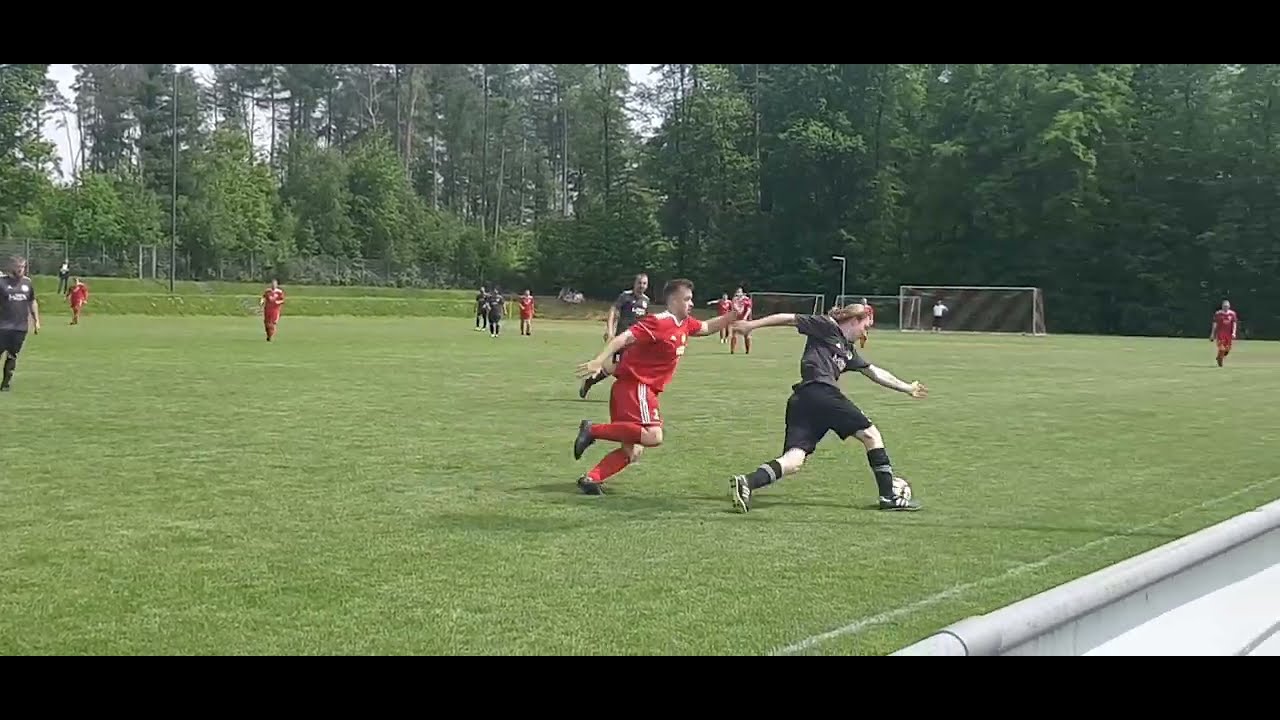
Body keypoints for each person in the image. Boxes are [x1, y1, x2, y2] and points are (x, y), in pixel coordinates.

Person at [727, 304, 926, 512]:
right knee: (871, 435)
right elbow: (788, 318)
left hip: (804, 400)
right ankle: (888, 496)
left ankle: (747, 482)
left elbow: (875, 373)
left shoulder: (848, 351)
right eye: (866, 326)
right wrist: (751, 325)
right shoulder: (826, 326)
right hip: (820, 391)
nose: (865, 332)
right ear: (854, 320)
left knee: (794, 460)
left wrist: (907, 387)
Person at [571, 278, 738, 495]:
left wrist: (733, 315)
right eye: (687, 299)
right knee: (653, 436)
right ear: (674, 300)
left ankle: (591, 479)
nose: (691, 303)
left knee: (633, 450)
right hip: (636, 386)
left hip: (634, 389)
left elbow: (706, 327)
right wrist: (599, 360)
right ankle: (592, 430)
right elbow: (622, 338)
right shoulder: (659, 322)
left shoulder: (685, 323)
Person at [579, 273, 651, 399]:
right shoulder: (625, 296)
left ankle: (591, 382)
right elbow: (613, 311)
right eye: (639, 283)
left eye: (644, 283)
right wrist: (610, 330)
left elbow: (644, 321)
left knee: (620, 368)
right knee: (618, 368)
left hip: (636, 341)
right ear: (634, 284)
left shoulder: (646, 301)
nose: (642, 286)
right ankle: (594, 383)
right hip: (621, 339)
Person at [0, 256, 42, 392]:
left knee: (12, 355)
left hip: (20, 327)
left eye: (23, 267)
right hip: (2, 326)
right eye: (18, 267)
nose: (20, 269)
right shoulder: (2, 282)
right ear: (11, 267)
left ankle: (6, 383)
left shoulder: (27, 283)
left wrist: (36, 321)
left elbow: (32, 301)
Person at [1212, 300, 1239, 368]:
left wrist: (1234, 333)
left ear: (1229, 306)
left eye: (1227, 306)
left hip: (1229, 335)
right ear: (1222, 306)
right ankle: (1220, 362)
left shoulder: (1232, 314)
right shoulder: (1218, 314)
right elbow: (1215, 324)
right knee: (1222, 348)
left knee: (1227, 350)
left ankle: (1219, 357)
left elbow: (1234, 324)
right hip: (1220, 334)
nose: (1225, 308)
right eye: (1224, 306)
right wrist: (1212, 334)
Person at [730, 287, 753, 354]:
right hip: (736, 319)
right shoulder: (734, 299)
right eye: (737, 292)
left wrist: (745, 317)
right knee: (734, 334)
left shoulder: (746, 299)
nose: (738, 293)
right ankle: (732, 350)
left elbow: (749, 309)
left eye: (739, 292)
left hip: (746, 319)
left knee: (747, 335)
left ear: (742, 292)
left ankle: (747, 350)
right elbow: (734, 308)